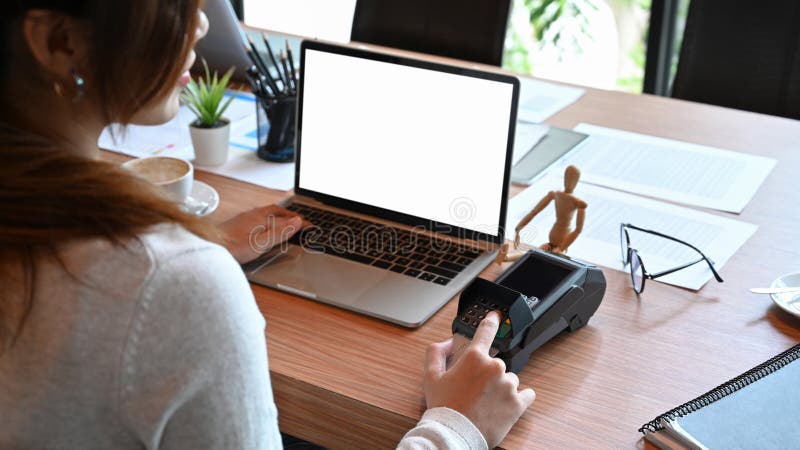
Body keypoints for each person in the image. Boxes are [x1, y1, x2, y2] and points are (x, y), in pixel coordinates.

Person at [0, 1, 535, 449]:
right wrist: (454, 428)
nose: (203, 23)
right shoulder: (170, 284)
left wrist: (193, 245)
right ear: (59, 41)